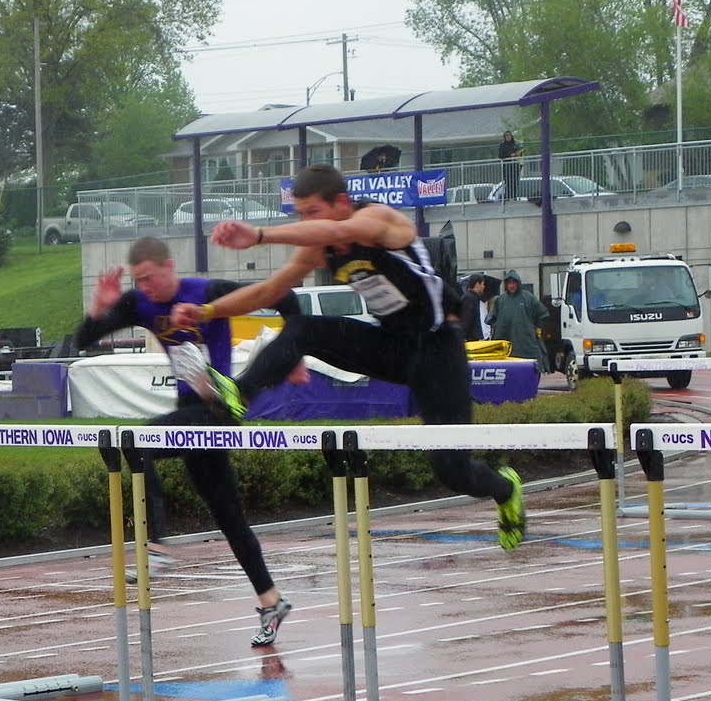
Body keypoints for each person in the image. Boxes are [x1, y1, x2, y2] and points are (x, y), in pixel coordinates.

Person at [168, 163, 526, 551]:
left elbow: (339, 231)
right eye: (300, 215)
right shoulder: (319, 249)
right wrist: (206, 312)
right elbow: (268, 292)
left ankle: (506, 489)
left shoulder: (379, 220)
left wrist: (258, 235)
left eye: (312, 213)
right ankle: (240, 395)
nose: (306, 224)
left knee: (453, 472)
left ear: (341, 203)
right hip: (391, 348)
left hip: (438, 352)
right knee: (304, 328)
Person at [73, 234, 295, 647]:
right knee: (227, 515)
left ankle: (156, 547)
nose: (145, 288)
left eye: (150, 278)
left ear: (169, 267)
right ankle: (271, 600)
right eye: (138, 281)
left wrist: (292, 352)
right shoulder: (140, 303)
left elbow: (279, 296)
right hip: (190, 413)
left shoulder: (207, 292)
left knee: (137, 444)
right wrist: (98, 309)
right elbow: (81, 342)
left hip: (218, 413)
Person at [487, 270, 550, 371]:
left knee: (530, 366)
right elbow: (491, 318)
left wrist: (537, 329)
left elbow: (541, 314)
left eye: (514, 283)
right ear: (506, 285)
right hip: (506, 340)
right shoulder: (501, 300)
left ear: (518, 283)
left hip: (526, 341)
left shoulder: (528, 297)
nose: (512, 286)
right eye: (509, 283)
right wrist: (498, 328)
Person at [458, 273, 489, 342]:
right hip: (470, 338)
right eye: (483, 284)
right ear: (477, 284)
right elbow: (466, 318)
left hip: (472, 337)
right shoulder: (469, 298)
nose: (484, 286)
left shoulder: (473, 297)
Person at [498, 131, 522, 199]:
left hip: (515, 166)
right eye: (507, 136)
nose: (508, 137)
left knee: (515, 183)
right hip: (507, 167)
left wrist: (518, 154)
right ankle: (508, 197)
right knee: (508, 183)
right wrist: (510, 155)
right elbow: (500, 155)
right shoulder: (502, 145)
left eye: (509, 136)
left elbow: (519, 154)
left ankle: (514, 197)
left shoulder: (515, 144)